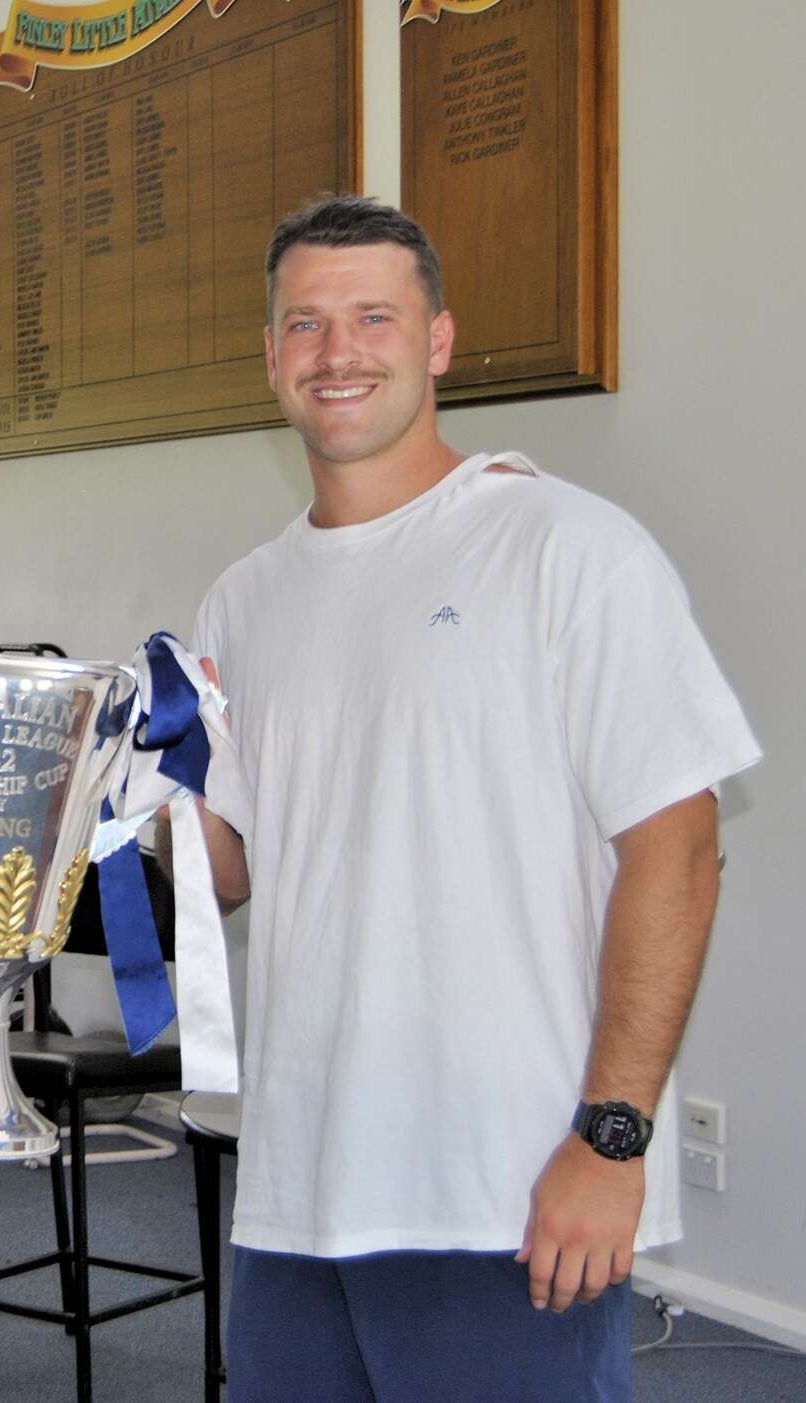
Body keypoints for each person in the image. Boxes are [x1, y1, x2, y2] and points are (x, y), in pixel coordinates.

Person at [189, 196, 761, 1403]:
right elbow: (227, 864)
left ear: (437, 341)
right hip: (297, 1188)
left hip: (503, 1189)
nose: (335, 351)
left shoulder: (564, 546)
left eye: (372, 317)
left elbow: (680, 849)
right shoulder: (245, 597)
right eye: (304, 323)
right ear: (271, 354)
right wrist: (57, 785)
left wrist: (611, 1139)